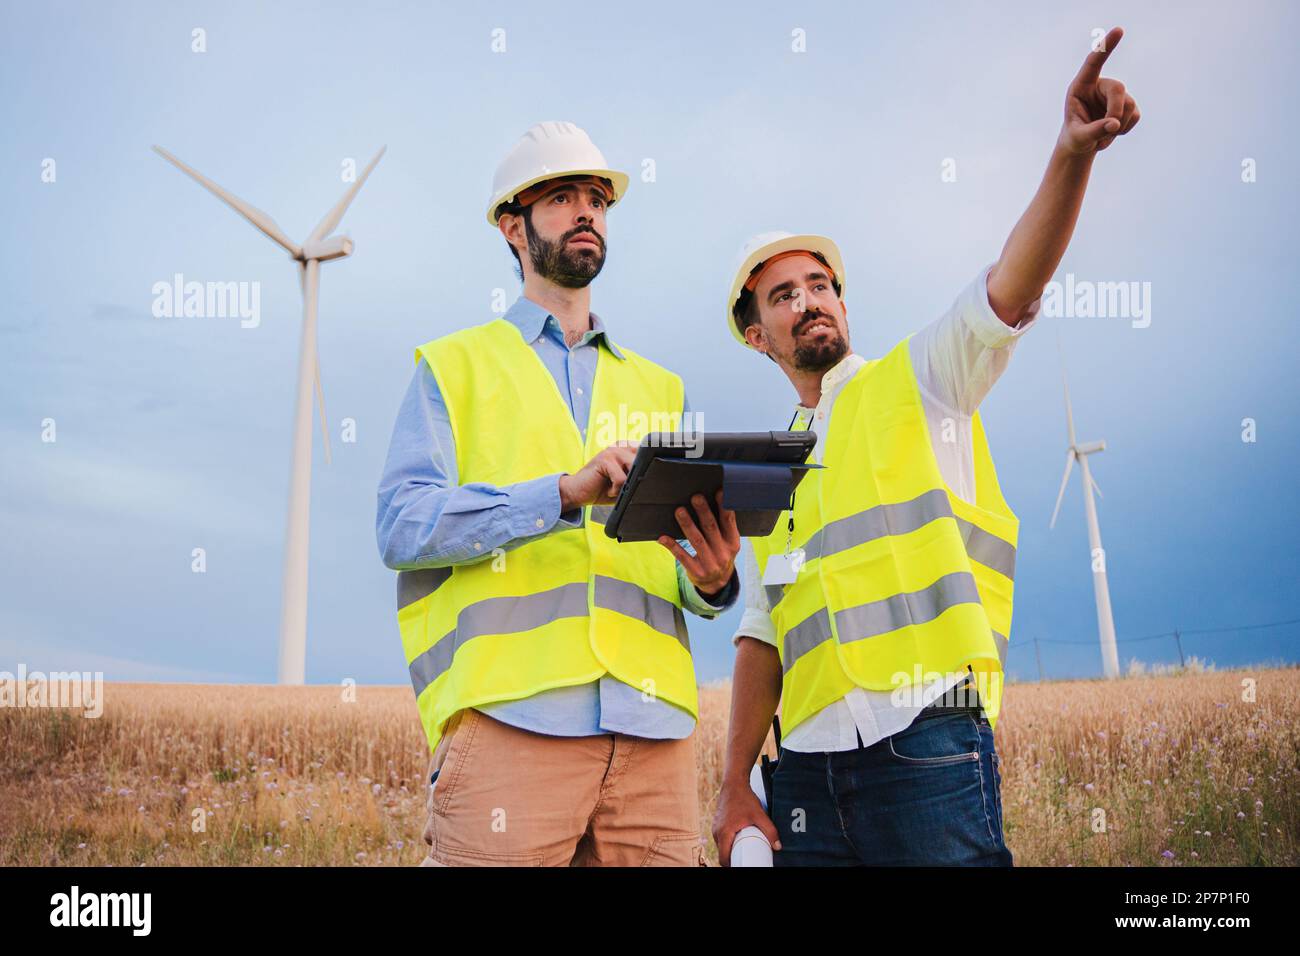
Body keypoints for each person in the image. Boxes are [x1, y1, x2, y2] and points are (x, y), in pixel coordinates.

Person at [713, 28, 1140, 866]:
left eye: (821, 285)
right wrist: (733, 781)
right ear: (758, 336)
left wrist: (1071, 155)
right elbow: (762, 631)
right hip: (803, 772)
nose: (809, 302)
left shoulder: (921, 380)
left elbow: (1010, 288)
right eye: (784, 295)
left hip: (927, 752)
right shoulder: (773, 465)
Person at [377, 121, 740, 866]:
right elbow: (402, 525)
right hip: (511, 727)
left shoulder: (660, 387)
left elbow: (669, 563)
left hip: (655, 737)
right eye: (563, 198)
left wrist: (713, 581)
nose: (588, 213)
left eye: (599, 201)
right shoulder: (455, 366)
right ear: (512, 227)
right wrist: (562, 496)